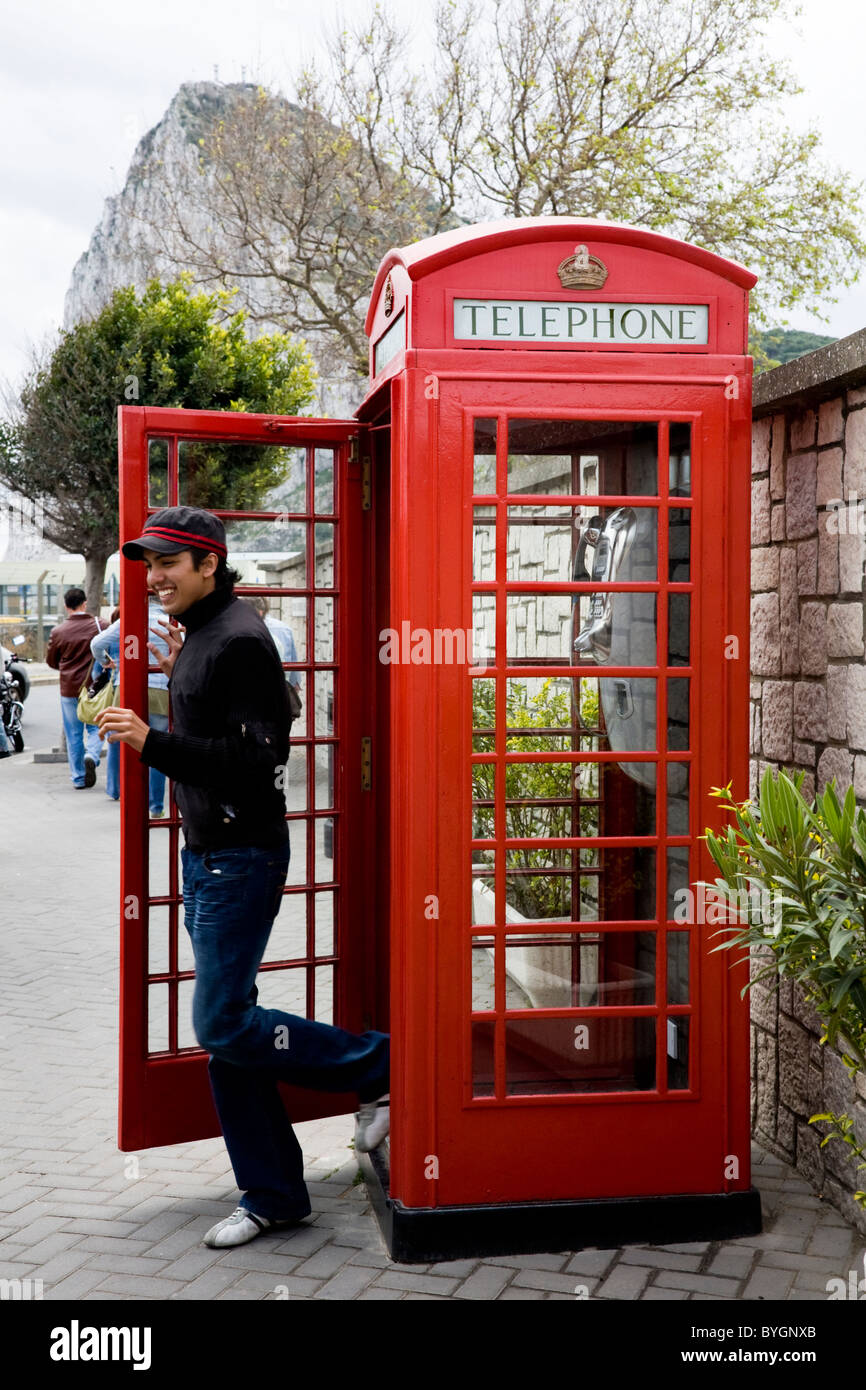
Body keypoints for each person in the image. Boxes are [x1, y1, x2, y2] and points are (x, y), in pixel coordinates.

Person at [97, 506, 390, 1249]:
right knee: (232, 1034)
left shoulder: (242, 639)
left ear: (208, 564)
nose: (153, 577)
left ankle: (383, 1062)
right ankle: (274, 1194)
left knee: (221, 1023)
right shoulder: (199, 632)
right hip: (206, 853)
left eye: (168, 563)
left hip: (241, 854)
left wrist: (148, 741)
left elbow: (258, 757)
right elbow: (213, 729)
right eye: (149, 564)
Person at [92, 598, 171, 811]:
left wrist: (104, 662)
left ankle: (121, 793)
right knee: (158, 747)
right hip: (161, 688)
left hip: (128, 688)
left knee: (121, 742)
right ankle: (155, 806)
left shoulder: (128, 620)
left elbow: (96, 644)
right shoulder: (169, 620)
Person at [45, 588, 107, 789]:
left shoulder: (58, 631)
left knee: (73, 734)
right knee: (96, 726)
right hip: (94, 687)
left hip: (69, 689)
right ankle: (92, 754)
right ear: (85, 603)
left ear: (66, 606)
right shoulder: (100, 625)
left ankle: (79, 778)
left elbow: (52, 661)